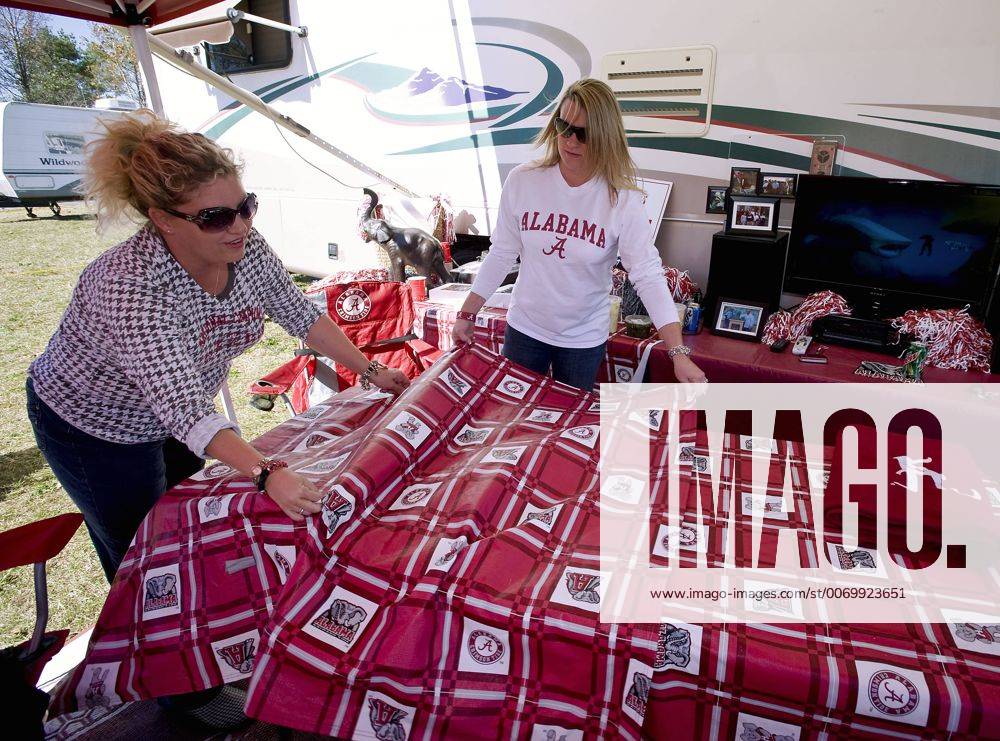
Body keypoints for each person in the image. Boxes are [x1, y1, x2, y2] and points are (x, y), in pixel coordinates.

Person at [26, 111, 410, 585]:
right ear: (163, 220)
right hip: (94, 425)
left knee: (186, 523)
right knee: (139, 550)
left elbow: (302, 316)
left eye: (245, 207)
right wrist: (266, 472)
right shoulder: (129, 283)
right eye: (216, 217)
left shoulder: (244, 247)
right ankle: (143, 644)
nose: (240, 226)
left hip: (178, 417)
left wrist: (369, 370)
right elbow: (184, 408)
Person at [451, 79, 706, 388]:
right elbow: (502, 253)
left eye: (584, 134)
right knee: (513, 420)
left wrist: (678, 352)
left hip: (582, 341)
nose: (570, 140)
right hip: (524, 330)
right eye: (564, 126)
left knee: (566, 428)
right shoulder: (523, 180)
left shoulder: (621, 198)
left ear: (605, 138)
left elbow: (647, 274)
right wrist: (467, 314)